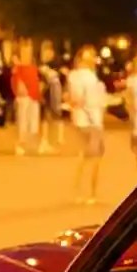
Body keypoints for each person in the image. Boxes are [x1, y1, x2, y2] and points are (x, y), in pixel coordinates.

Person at [68, 45, 107, 204]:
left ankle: (78, 191)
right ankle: (92, 194)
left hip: (79, 120)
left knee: (82, 156)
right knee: (96, 158)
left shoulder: (73, 76)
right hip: (92, 120)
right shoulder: (91, 78)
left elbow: (73, 99)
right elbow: (91, 100)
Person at [12, 43, 43, 156]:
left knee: (33, 121)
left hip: (34, 96)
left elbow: (36, 80)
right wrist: (20, 88)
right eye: (24, 52)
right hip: (24, 97)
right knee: (23, 121)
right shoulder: (18, 68)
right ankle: (20, 144)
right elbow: (16, 81)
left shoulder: (33, 67)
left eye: (29, 52)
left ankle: (31, 144)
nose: (27, 55)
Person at [39, 43, 65, 152]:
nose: (47, 54)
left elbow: (62, 78)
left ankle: (58, 138)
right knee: (45, 117)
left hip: (55, 93)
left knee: (56, 115)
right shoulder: (41, 66)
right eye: (45, 51)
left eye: (49, 51)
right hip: (46, 93)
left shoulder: (56, 65)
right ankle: (44, 142)